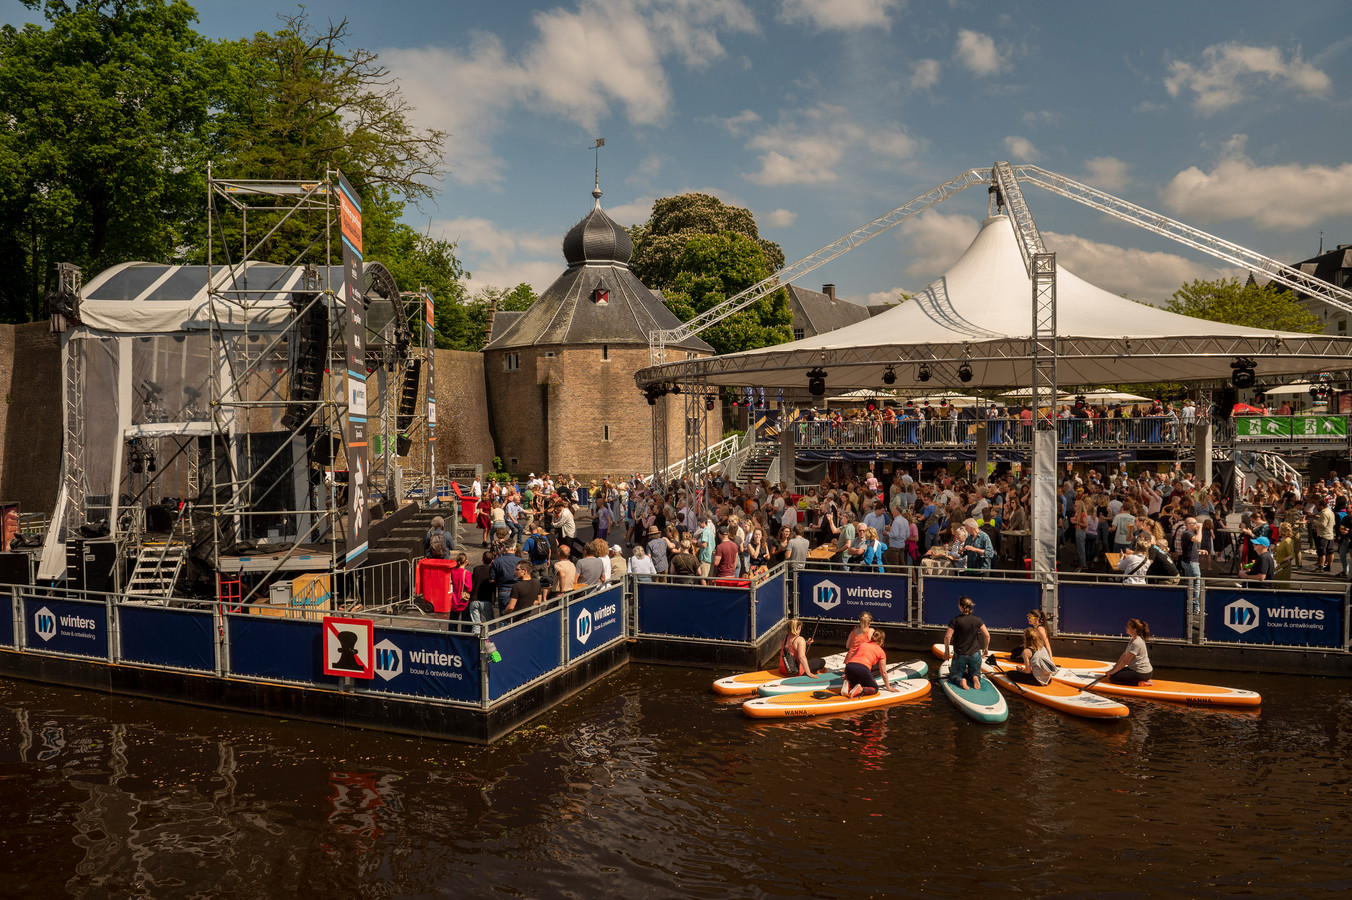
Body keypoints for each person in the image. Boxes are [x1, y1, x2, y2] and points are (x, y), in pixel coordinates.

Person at [943, 596, 990, 691]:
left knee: (954, 675)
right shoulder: (978, 619)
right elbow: (987, 635)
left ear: (961, 606)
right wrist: (986, 648)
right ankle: (975, 678)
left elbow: (947, 637)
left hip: (961, 654)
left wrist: (947, 651)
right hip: (975, 654)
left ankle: (961, 680)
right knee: (975, 672)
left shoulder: (955, 620)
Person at [841, 629, 900, 699]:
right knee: (874, 688)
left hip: (849, 667)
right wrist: (888, 687)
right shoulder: (881, 652)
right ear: (881, 641)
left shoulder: (863, 644)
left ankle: (848, 683)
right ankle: (860, 689)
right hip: (862, 669)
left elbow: (851, 658)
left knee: (856, 679)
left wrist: (846, 674)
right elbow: (883, 672)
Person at [1102, 618, 1154, 685]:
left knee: (1113, 678)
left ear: (1134, 630)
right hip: (1138, 671)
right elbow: (1124, 655)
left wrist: (1112, 672)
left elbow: (1125, 661)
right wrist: (1113, 669)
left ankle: (1141, 683)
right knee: (1114, 673)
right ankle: (1143, 680)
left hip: (1142, 673)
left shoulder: (1136, 643)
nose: (1126, 628)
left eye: (1128, 627)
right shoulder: (1132, 640)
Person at [468, 551, 496, 624]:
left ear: (482, 559)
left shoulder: (476, 569)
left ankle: (477, 635)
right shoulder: (491, 571)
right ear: (492, 561)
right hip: (486, 599)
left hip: (474, 599)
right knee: (490, 623)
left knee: (476, 624)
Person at [1272, 523, 1297, 589]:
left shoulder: (1287, 541)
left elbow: (1291, 555)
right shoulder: (1284, 540)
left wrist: (1284, 560)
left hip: (1283, 566)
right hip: (1279, 564)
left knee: (1281, 585)